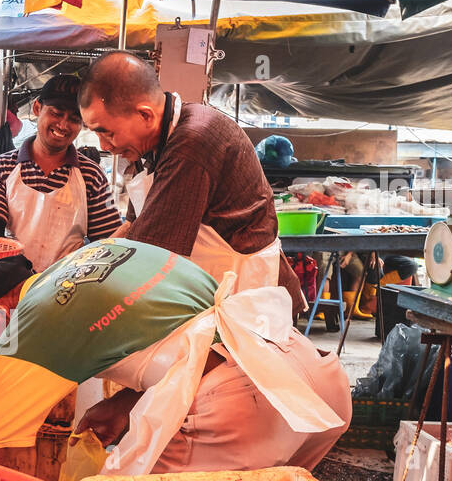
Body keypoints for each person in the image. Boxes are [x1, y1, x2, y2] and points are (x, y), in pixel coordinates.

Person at [0, 240, 350, 474]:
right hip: (313, 379)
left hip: (243, 410)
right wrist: (125, 402)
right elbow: (180, 335)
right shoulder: (101, 253)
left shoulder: (27, 329)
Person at [78, 51, 305, 307]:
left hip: (245, 293)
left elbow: (150, 253)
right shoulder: (153, 144)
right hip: (213, 284)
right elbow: (133, 225)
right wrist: (82, 265)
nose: (103, 146)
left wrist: (87, 286)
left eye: (106, 133)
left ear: (145, 115)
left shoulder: (191, 144)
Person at [0, 74, 121, 272]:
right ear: (37, 109)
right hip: (10, 282)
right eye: (56, 113)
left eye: (74, 119)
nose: (63, 125)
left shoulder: (92, 175)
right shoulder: (1, 167)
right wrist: (15, 273)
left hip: (67, 289)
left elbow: (108, 241)